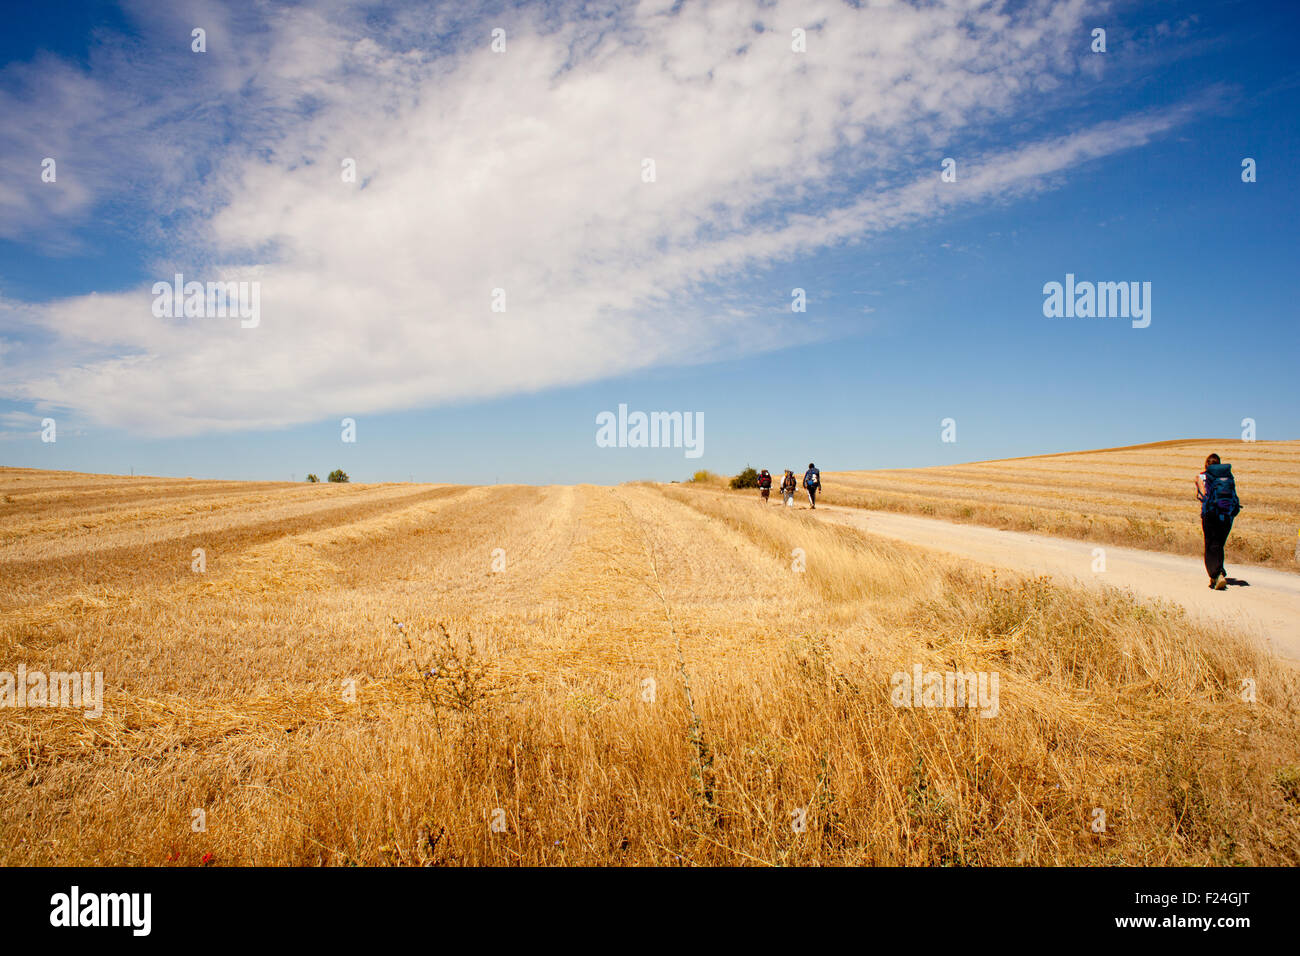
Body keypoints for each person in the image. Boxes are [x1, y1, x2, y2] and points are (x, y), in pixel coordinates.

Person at [1195, 453, 1241, 590]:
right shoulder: (1227, 477)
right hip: (1226, 515)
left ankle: (1215, 575)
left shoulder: (1202, 477)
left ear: (1206, 465)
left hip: (1210, 514)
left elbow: (1202, 495)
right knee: (1219, 545)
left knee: (1210, 545)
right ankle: (1219, 571)